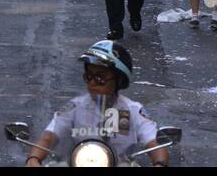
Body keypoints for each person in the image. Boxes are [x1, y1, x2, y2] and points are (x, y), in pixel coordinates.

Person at [23, 40, 168, 167]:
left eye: (100, 78)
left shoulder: (133, 111)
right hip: (80, 162)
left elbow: (154, 143)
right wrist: (33, 158)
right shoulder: (75, 107)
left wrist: (159, 163)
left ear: (118, 80)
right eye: (89, 76)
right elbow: (48, 137)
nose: (93, 82)